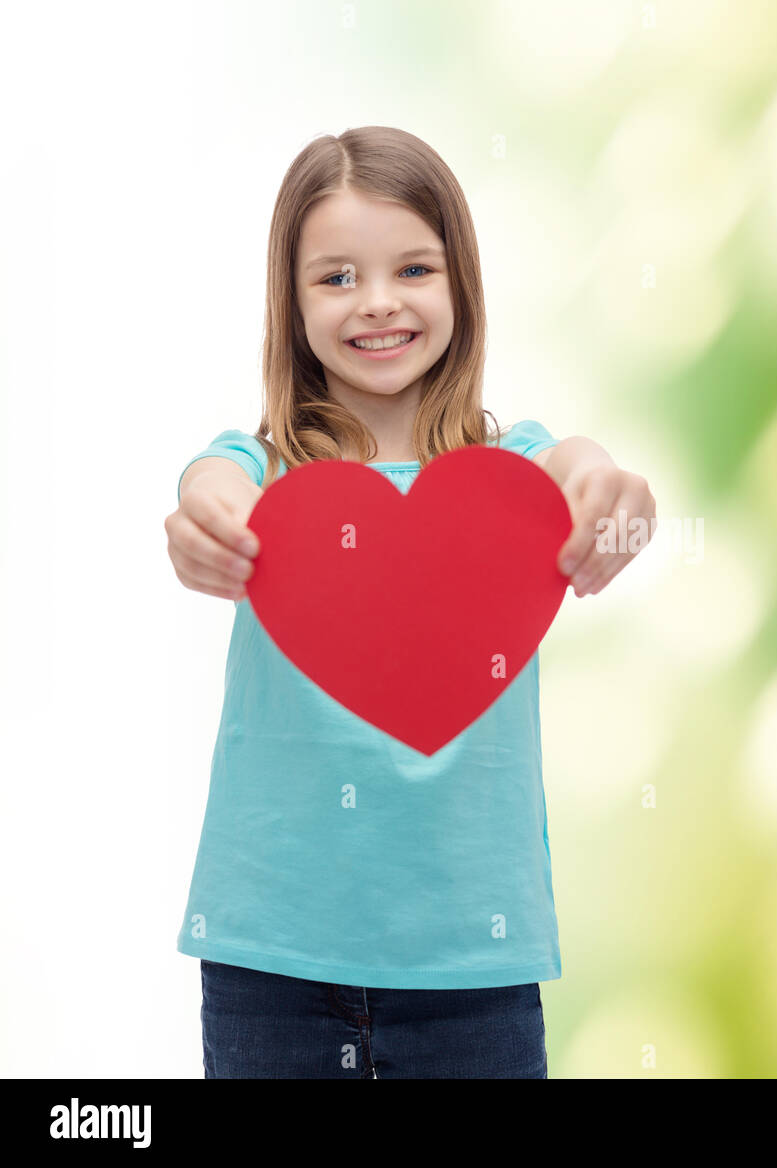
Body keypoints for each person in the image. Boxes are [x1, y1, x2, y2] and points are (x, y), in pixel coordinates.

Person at [163, 126, 656, 1078]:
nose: (377, 303)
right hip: (271, 963)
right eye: (336, 277)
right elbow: (205, 495)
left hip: (476, 964)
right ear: (290, 301)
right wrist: (207, 527)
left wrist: (611, 490)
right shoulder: (261, 470)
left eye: (413, 269)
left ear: (460, 284)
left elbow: (585, 472)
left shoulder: (514, 475)